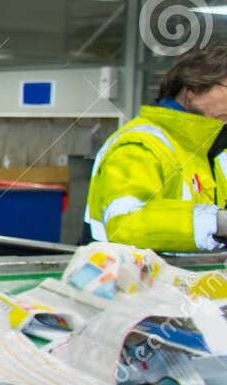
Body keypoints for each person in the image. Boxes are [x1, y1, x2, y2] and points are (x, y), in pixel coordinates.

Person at [86, 44, 227, 252]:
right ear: (193, 90)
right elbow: (126, 224)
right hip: (131, 281)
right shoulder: (140, 144)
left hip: (184, 281)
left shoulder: (211, 152)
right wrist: (216, 222)